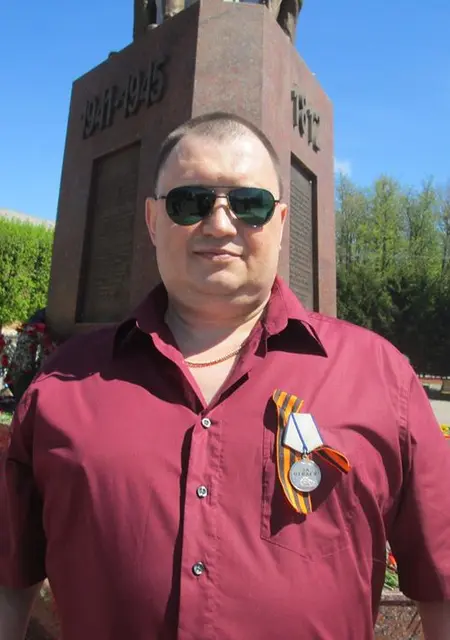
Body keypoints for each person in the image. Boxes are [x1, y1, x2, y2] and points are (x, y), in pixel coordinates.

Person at [1, 112, 450, 640]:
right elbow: (9, 580)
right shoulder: (62, 385)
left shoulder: (379, 377)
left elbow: (441, 583)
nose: (219, 224)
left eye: (249, 204)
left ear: (280, 221)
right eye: (189, 202)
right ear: (152, 220)